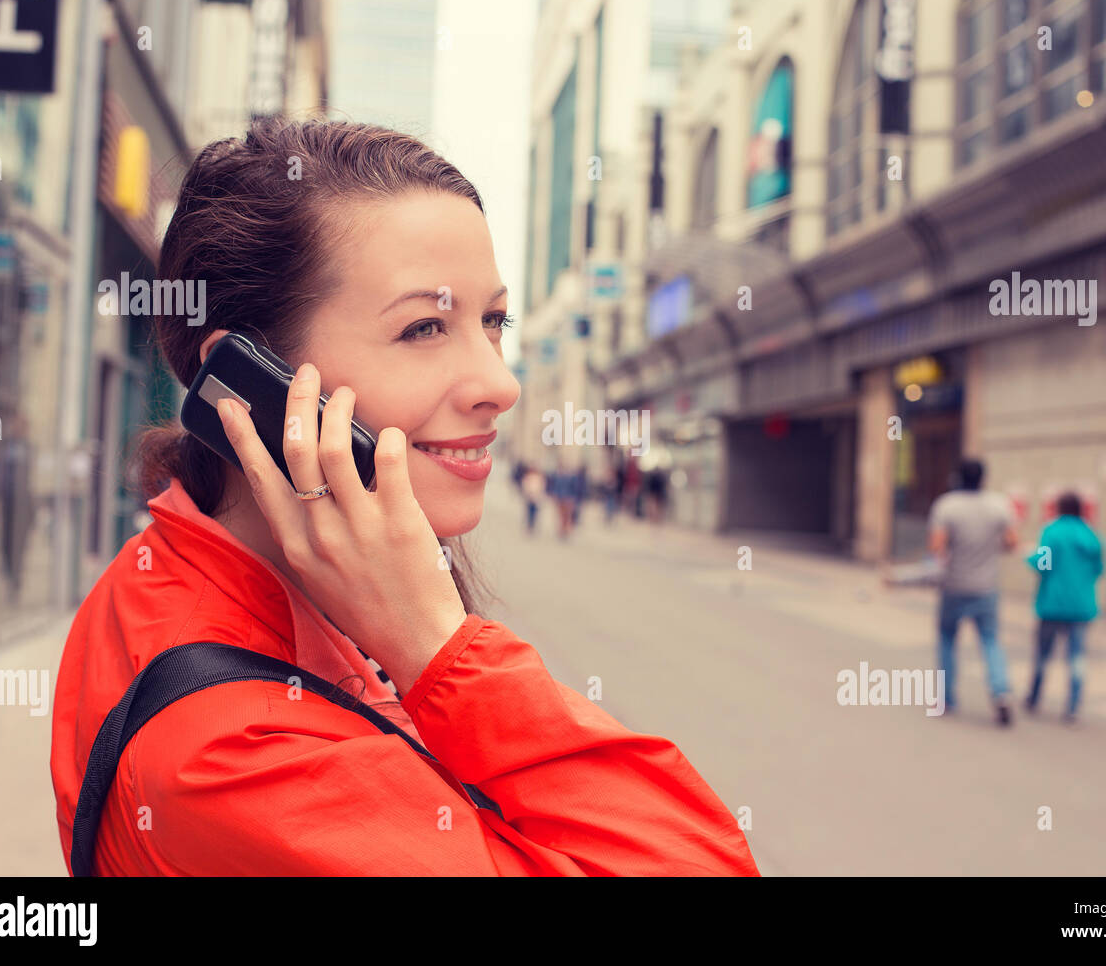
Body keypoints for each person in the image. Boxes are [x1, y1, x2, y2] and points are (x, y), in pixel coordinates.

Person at [49, 118, 757, 877]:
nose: (499, 384)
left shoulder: (243, 577)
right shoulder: (235, 760)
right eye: (424, 327)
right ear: (247, 391)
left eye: (493, 323)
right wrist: (438, 649)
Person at [927, 458, 1017, 726]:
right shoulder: (999, 505)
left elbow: (936, 548)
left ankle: (946, 698)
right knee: (990, 641)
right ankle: (1001, 692)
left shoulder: (947, 506)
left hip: (953, 586)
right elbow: (1012, 542)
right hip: (986, 587)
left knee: (946, 640)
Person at [1024, 491, 1105, 722]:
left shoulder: (1052, 532)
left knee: (1042, 654)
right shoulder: (1092, 535)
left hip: (1053, 603)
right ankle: (1073, 707)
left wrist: (1029, 556)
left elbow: (1043, 564)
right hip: (1082, 606)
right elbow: (1099, 570)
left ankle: (1034, 696)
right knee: (1077, 656)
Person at [0, 413, 35, 603]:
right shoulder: (6, 446)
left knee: (19, 543)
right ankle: (8, 573)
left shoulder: (29, 449)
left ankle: (16, 579)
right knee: (5, 543)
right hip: (7, 502)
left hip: (23, 504)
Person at [521, 465, 545, 534]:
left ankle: (532, 526)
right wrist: (528, 493)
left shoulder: (539, 478)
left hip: (536, 498)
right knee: (529, 512)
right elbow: (525, 485)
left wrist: (538, 495)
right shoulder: (528, 477)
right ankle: (529, 526)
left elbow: (541, 487)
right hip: (529, 497)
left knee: (534, 513)